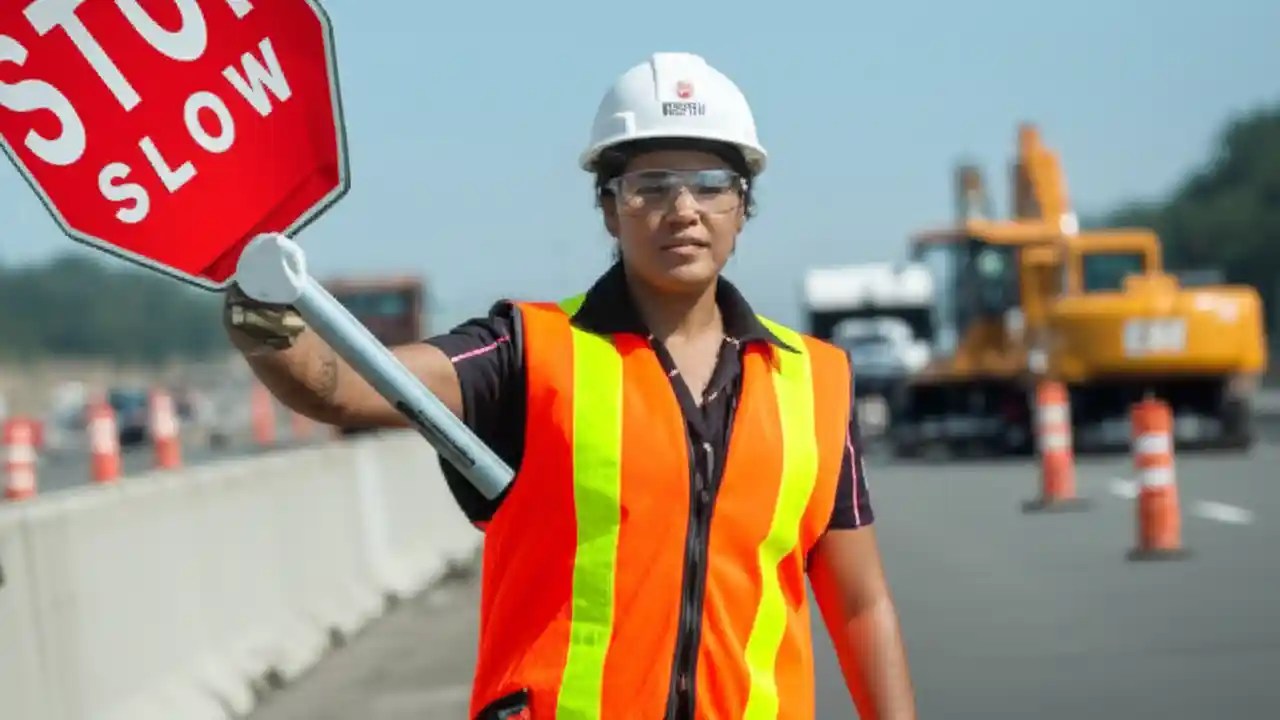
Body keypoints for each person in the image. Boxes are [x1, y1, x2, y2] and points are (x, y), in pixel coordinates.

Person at [224, 51, 916, 720]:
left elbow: (860, 603)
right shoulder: (528, 352)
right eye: (649, 186)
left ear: (743, 206)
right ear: (610, 210)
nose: (682, 209)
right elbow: (341, 387)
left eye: (710, 183)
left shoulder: (816, 380)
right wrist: (263, 311)